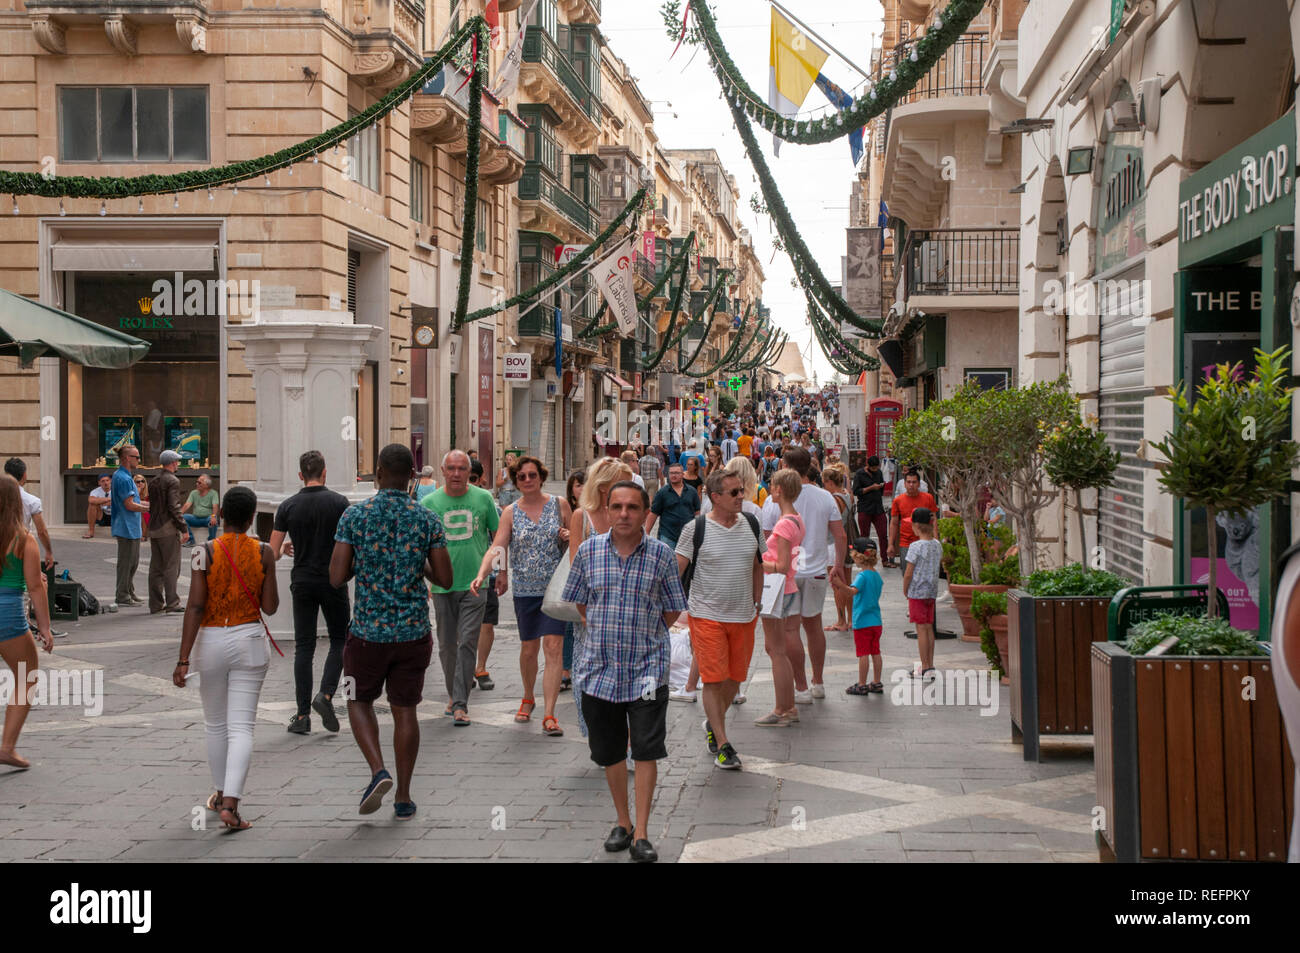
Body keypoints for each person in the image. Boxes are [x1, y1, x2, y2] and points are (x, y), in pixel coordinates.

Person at [562, 481, 686, 863]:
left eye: (632, 507)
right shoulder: (589, 551)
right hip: (599, 671)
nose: (624, 514)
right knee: (610, 750)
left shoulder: (662, 555)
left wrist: (646, 636)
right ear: (607, 510)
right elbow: (580, 603)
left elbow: (672, 609)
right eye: (617, 507)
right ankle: (623, 821)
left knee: (646, 748)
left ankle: (642, 833)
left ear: (645, 511)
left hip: (647, 671)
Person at [330, 444, 452, 819]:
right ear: (412, 477)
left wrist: (362, 563)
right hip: (413, 632)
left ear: (379, 472)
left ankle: (377, 770)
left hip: (368, 632)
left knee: (356, 699)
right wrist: (418, 565)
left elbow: (336, 576)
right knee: (405, 709)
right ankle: (403, 795)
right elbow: (444, 578)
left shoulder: (355, 516)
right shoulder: (427, 518)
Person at [172, 485, 279, 831]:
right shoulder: (264, 551)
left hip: (212, 640)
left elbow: (195, 605)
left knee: (215, 724)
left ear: (222, 516)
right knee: (242, 726)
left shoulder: (202, 552)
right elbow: (270, 607)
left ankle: (220, 794)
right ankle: (231, 804)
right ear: (251, 518)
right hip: (249, 639)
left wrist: (183, 659)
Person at [471, 456, 571, 735]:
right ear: (516, 481)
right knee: (529, 649)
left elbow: (579, 542)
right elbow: (498, 546)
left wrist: (568, 535)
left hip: (556, 590)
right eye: (521, 476)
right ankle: (528, 696)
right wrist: (484, 573)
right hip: (526, 590)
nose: (527, 480)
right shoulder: (510, 512)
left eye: (532, 475)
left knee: (553, 646)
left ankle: (549, 713)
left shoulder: (560, 505)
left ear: (541, 477)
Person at [675, 470, 764, 770]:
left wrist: (757, 601)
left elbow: (758, 565)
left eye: (741, 490)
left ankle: (714, 724)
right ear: (715, 497)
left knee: (735, 678)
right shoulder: (695, 529)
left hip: (744, 615)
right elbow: (676, 571)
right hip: (706, 615)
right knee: (713, 678)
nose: (741, 496)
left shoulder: (752, 523)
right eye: (734, 492)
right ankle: (723, 744)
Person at [269, 450, 351, 735]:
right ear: (324, 472)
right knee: (340, 639)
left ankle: (302, 715)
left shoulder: (288, 506)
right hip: (333, 580)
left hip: (302, 580)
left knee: (304, 646)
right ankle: (326, 694)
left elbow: (272, 553)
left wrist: (284, 549)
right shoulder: (340, 503)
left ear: (300, 475)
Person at [760, 447, 846, 703]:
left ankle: (801, 686)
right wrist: (838, 564)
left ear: (786, 466)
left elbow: (767, 539)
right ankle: (818, 682)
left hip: (786, 574)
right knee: (814, 625)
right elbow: (840, 534)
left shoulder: (775, 499)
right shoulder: (825, 497)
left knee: (790, 630)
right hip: (817, 570)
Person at [422, 449, 499, 726]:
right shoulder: (429, 503)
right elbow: (420, 547)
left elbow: (498, 537)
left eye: (462, 469)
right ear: (443, 471)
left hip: (475, 584)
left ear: (470, 472)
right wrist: (425, 581)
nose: (456, 474)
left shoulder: (484, 498)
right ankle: (454, 694)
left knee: (467, 641)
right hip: (442, 586)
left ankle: (459, 703)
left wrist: (499, 571)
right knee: (446, 645)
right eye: (452, 468)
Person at [567, 457, 634, 736]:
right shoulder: (582, 517)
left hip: (626, 611)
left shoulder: (630, 515)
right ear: (605, 486)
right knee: (587, 678)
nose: (630, 488)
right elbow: (576, 568)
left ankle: (624, 741)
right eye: (624, 482)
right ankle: (598, 735)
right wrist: (585, 611)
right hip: (591, 613)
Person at [0, 474, 54, 770]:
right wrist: (44, 628)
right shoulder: (23, 539)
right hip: (8, 614)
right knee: (27, 676)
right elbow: (35, 587)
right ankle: (7, 747)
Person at [754, 468, 803, 727]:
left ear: (779, 489)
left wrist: (758, 561)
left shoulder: (784, 523)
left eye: (772, 486)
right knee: (778, 650)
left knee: (776, 651)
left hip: (777, 589)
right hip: (789, 588)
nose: (770, 490)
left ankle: (783, 707)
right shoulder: (796, 518)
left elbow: (782, 566)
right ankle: (787, 705)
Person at [833, 539, 885, 695]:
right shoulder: (876, 576)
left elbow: (851, 592)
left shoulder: (862, 576)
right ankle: (876, 682)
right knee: (876, 652)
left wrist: (839, 584)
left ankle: (862, 684)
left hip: (862, 622)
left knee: (863, 653)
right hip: (876, 621)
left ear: (858, 557)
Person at [903, 508, 942, 681]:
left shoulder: (915, 546)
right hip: (931, 591)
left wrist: (905, 589)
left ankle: (924, 666)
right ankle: (930, 665)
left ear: (917, 526)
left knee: (921, 629)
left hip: (917, 591)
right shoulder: (937, 545)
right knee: (929, 627)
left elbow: (908, 572)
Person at [147, 450, 187, 614]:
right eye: (177, 461)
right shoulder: (173, 480)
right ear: (172, 462)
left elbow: (153, 506)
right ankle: (172, 603)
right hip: (168, 527)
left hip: (154, 527)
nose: (178, 464)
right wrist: (183, 528)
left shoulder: (154, 480)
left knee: (156, 568)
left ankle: (155, 604)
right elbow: (174, 507)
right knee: (171, 566)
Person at [111, 446, 149, 608]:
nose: (139, 460)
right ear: (127, 458)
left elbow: (133, 502)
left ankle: (128, 591)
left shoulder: (124, 476)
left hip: (130, 526)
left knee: (132, 563)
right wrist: (148, 508)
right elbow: (129, 504)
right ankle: (122, 595)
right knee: (127, 563)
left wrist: (146, 505)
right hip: (126, 526)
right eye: (136, 457)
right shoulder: (124, 478)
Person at [561, 468, 587, 691]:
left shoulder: (593, 511)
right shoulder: (566, 509)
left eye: (584, 484)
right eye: (578, 485)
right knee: (569, 624)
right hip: (568, 571)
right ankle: (565, 668)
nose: (581, 489)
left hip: (587, 573)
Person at [4, 459, 53, 571]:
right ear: (24, 475)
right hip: (21, 546)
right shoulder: (32, 501)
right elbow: (42, 531)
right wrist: (49, 552)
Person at [888, 468, 938, 577]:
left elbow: (933, 519)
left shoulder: (928, 498)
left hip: (925, 541)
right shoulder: (898, 500)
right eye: (909, 482)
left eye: (914, 482)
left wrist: (936, 539)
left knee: (925, 574)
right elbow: (894, 523)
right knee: (907, 574)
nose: (911, 485)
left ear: (919, 484)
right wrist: (891, 544)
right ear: (904, 484)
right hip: (906, 543)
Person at [822, 468, 854, 632]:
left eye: (824, 483)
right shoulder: (846, 495)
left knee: (837, 584)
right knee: (847, 582)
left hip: (834, 543)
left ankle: (841, 620)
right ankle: (851, 619)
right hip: (846, 542)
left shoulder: (834, 499)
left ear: (830, 482)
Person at [646, 463, 700, 549]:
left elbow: (697, 512)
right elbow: (653, 513)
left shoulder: (692, 491)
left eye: (677, 473)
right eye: (671, 473)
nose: (673, 475)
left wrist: (698, 530)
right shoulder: (662, 492)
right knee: (666, 557)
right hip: (667, 535)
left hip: (688, 535)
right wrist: (647, 532)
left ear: (682, 474)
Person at [852, 456, 890, 564]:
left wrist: (880, 487)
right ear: (868, 465)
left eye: (876, 467)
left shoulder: (879, 473)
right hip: (865, 507)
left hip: (878, 507)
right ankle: (865, 559)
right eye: (873, 468)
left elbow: (881, 488)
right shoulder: (859, 474)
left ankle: (885, 559)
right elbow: (856, 491)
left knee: (883, 534)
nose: (875, 470)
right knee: (865, 536)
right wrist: (871, 488)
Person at [181, 474, 221, 545]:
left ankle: (211, 542)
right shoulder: (193, 493)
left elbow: (215, 506)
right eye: (197, 482)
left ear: (207, 485)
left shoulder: (213, 493)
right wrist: (179, 514)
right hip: (195, 518)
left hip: (207, 519)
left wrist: (213, 516)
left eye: (199, 483)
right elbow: (187, 505)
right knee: (183, 517)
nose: (197, 484)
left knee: (213, 520)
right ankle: (190, 540)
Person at [85, 474, 112, 538]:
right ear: (99, 483)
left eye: (107, 480)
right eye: (103, 481)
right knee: (92, 505)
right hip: (102, 516)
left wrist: (99, 502)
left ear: (110, 481)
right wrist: (108, 499)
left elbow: (121, 501)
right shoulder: (95, 491)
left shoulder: (116, 490)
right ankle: (91, 531)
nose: (105, 483)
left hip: (115, 517)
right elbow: (91, 500)